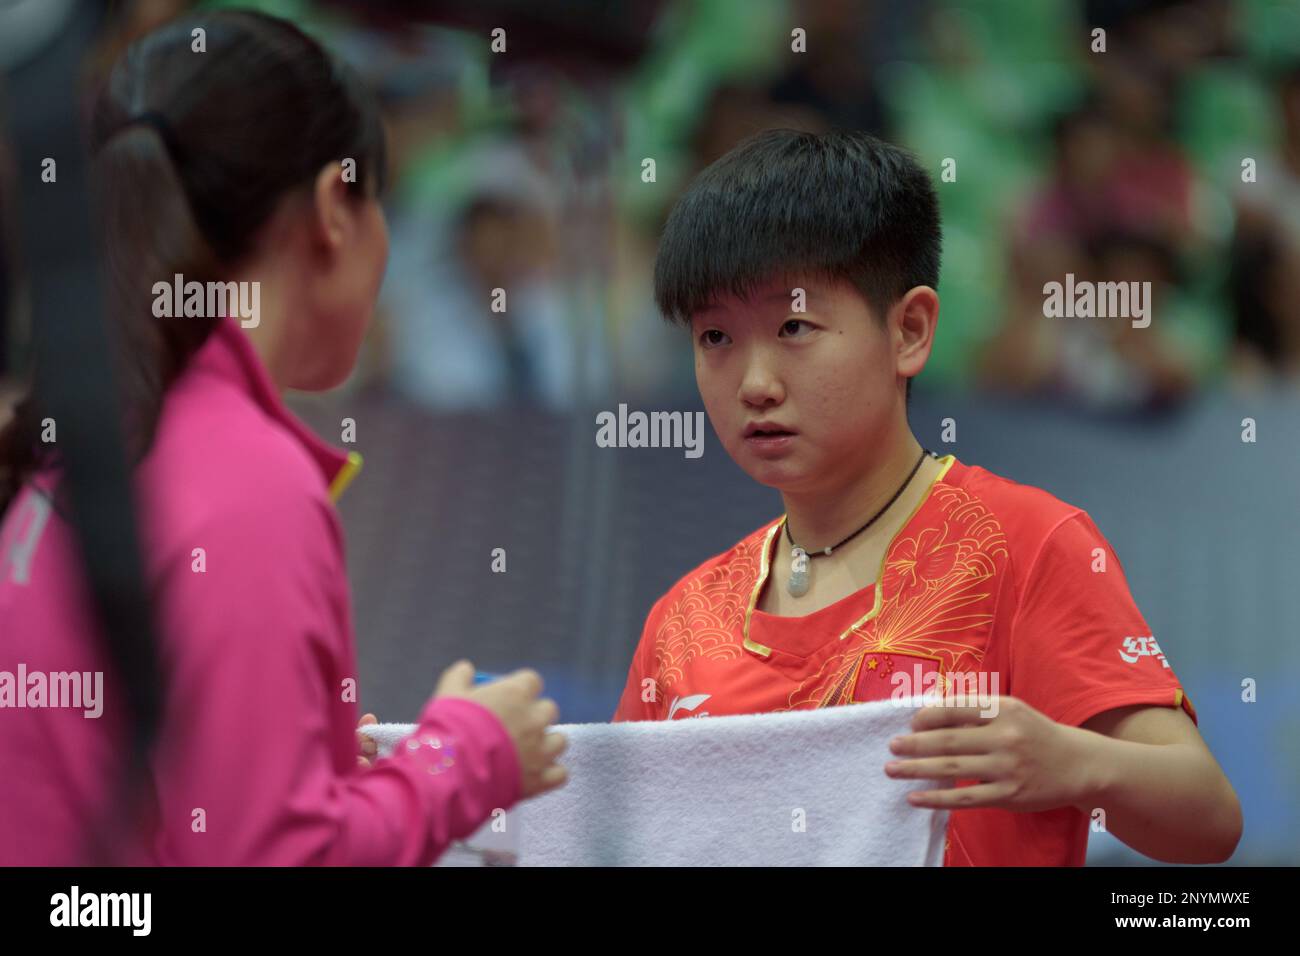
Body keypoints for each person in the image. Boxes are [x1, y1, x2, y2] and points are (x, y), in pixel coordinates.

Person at [0, 10, 565, 866]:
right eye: (385, 197)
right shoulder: (243, 481)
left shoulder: (83, 444)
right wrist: (466, 755)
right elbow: (273, 854)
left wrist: (332, 767)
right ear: (337, 207)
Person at [613, 128, 1241, 866]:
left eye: (793, 327)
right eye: (715, 337)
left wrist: (1073, 762)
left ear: (909, 330)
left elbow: (1207, 819)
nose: (754, 383)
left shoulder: (1027, 544)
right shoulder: (683, 623)